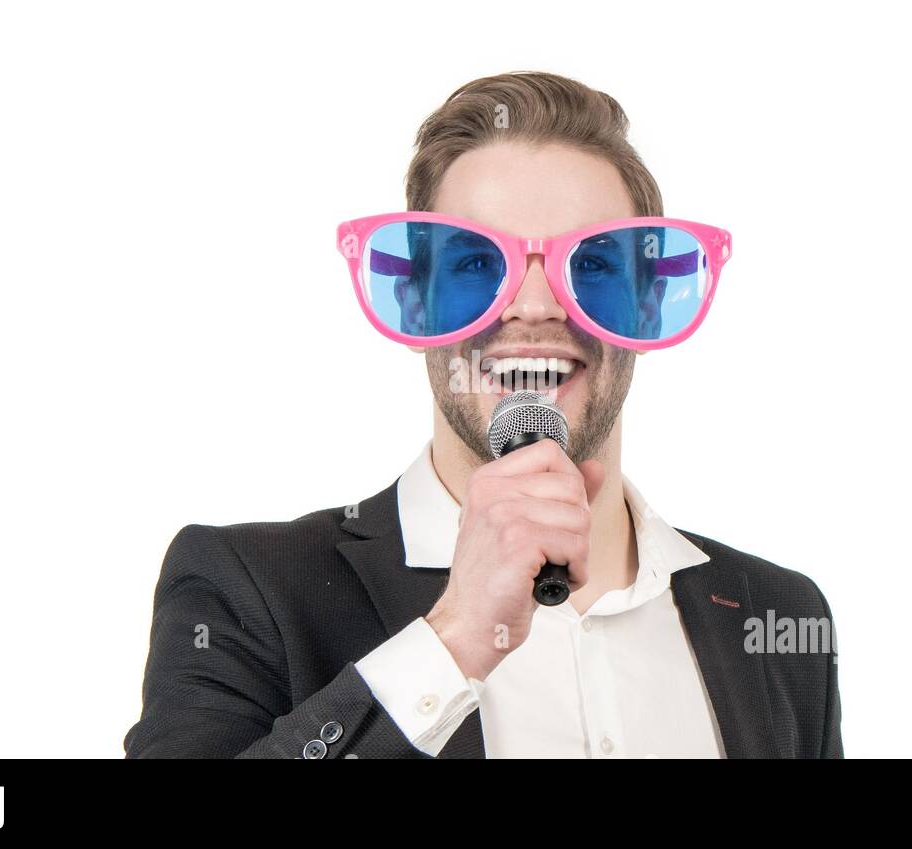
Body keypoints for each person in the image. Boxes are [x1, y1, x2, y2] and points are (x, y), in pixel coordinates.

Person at [124, 71, 842, 759]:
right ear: (414, 304)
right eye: (474, 264)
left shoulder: (773, 615)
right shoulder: (246, 588)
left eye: (592, 264)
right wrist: (455, 636)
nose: (534, 306)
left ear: (647, 306)